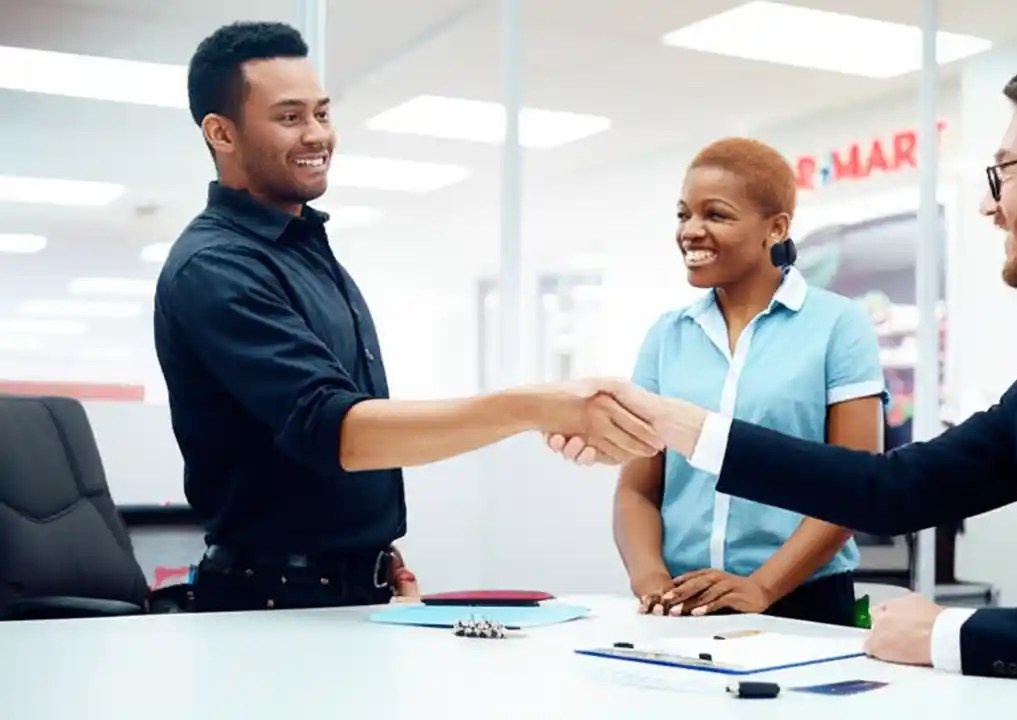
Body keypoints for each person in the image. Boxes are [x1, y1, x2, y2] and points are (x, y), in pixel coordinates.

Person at [554, 52, 1017, 691]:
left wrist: (946, 636)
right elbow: (893, 490)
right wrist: (684, 427)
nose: (988, 204)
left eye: (1004, 173)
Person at [154, 21, 660, 613]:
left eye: (322, 112)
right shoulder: (217, 267)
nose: (317, 134)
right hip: (271, 603)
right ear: (221, 132)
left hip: (346, 592)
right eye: (290, 117)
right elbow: (333, 428)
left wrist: (374, 558)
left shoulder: (302, 248)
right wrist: (532, 406)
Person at [577, 138, 886, 626]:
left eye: (715, 215)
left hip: (805, 604)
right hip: (682, 601)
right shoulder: (667, 335)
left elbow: (855, 483)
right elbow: (638, 489)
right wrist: (651, 580)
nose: (691, 232)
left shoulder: (837, 325)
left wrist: (762, 586)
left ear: (776, 227)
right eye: (684, 215)